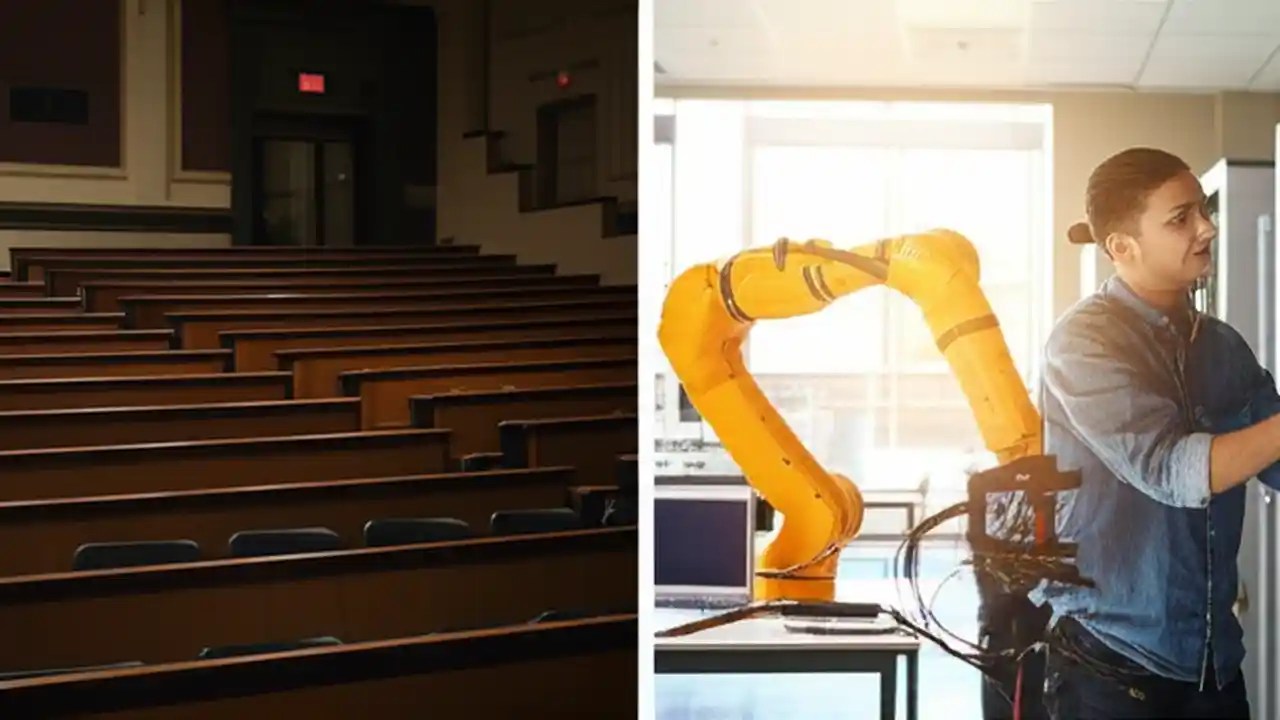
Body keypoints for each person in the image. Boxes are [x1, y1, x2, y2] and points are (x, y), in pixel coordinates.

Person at [1031, 146, 1280, 719]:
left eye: (1203, 210)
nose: (1206, 228)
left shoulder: (1222, 345)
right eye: (1180, 218)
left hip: (1213, 665)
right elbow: (1173, 470)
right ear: (1122, 247)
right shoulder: (1083, 343)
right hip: (1111, 666)